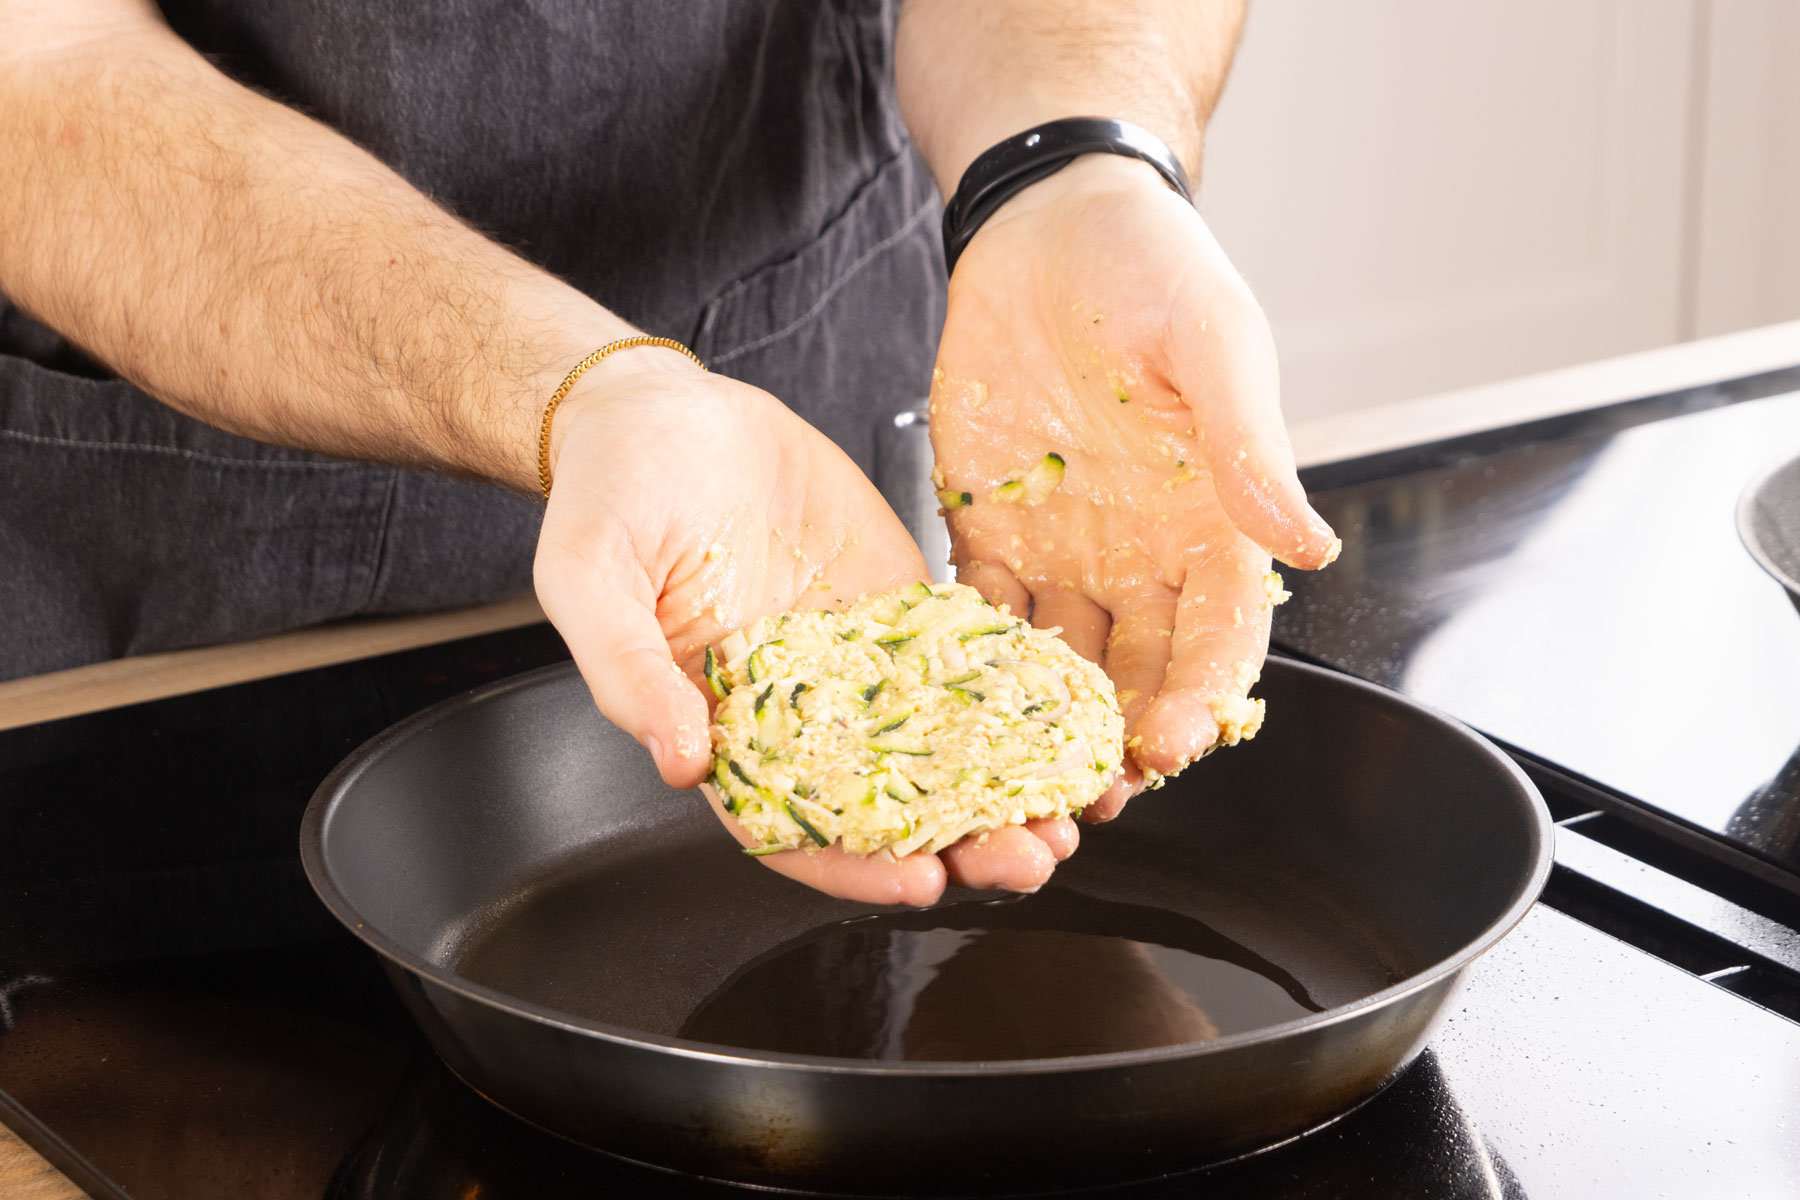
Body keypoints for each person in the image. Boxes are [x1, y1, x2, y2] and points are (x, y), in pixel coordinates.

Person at [0, 0, 1336, 905]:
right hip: (148, 602)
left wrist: (1068, 163)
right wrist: (596, 396)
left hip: (782, 515)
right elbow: (38, 65)